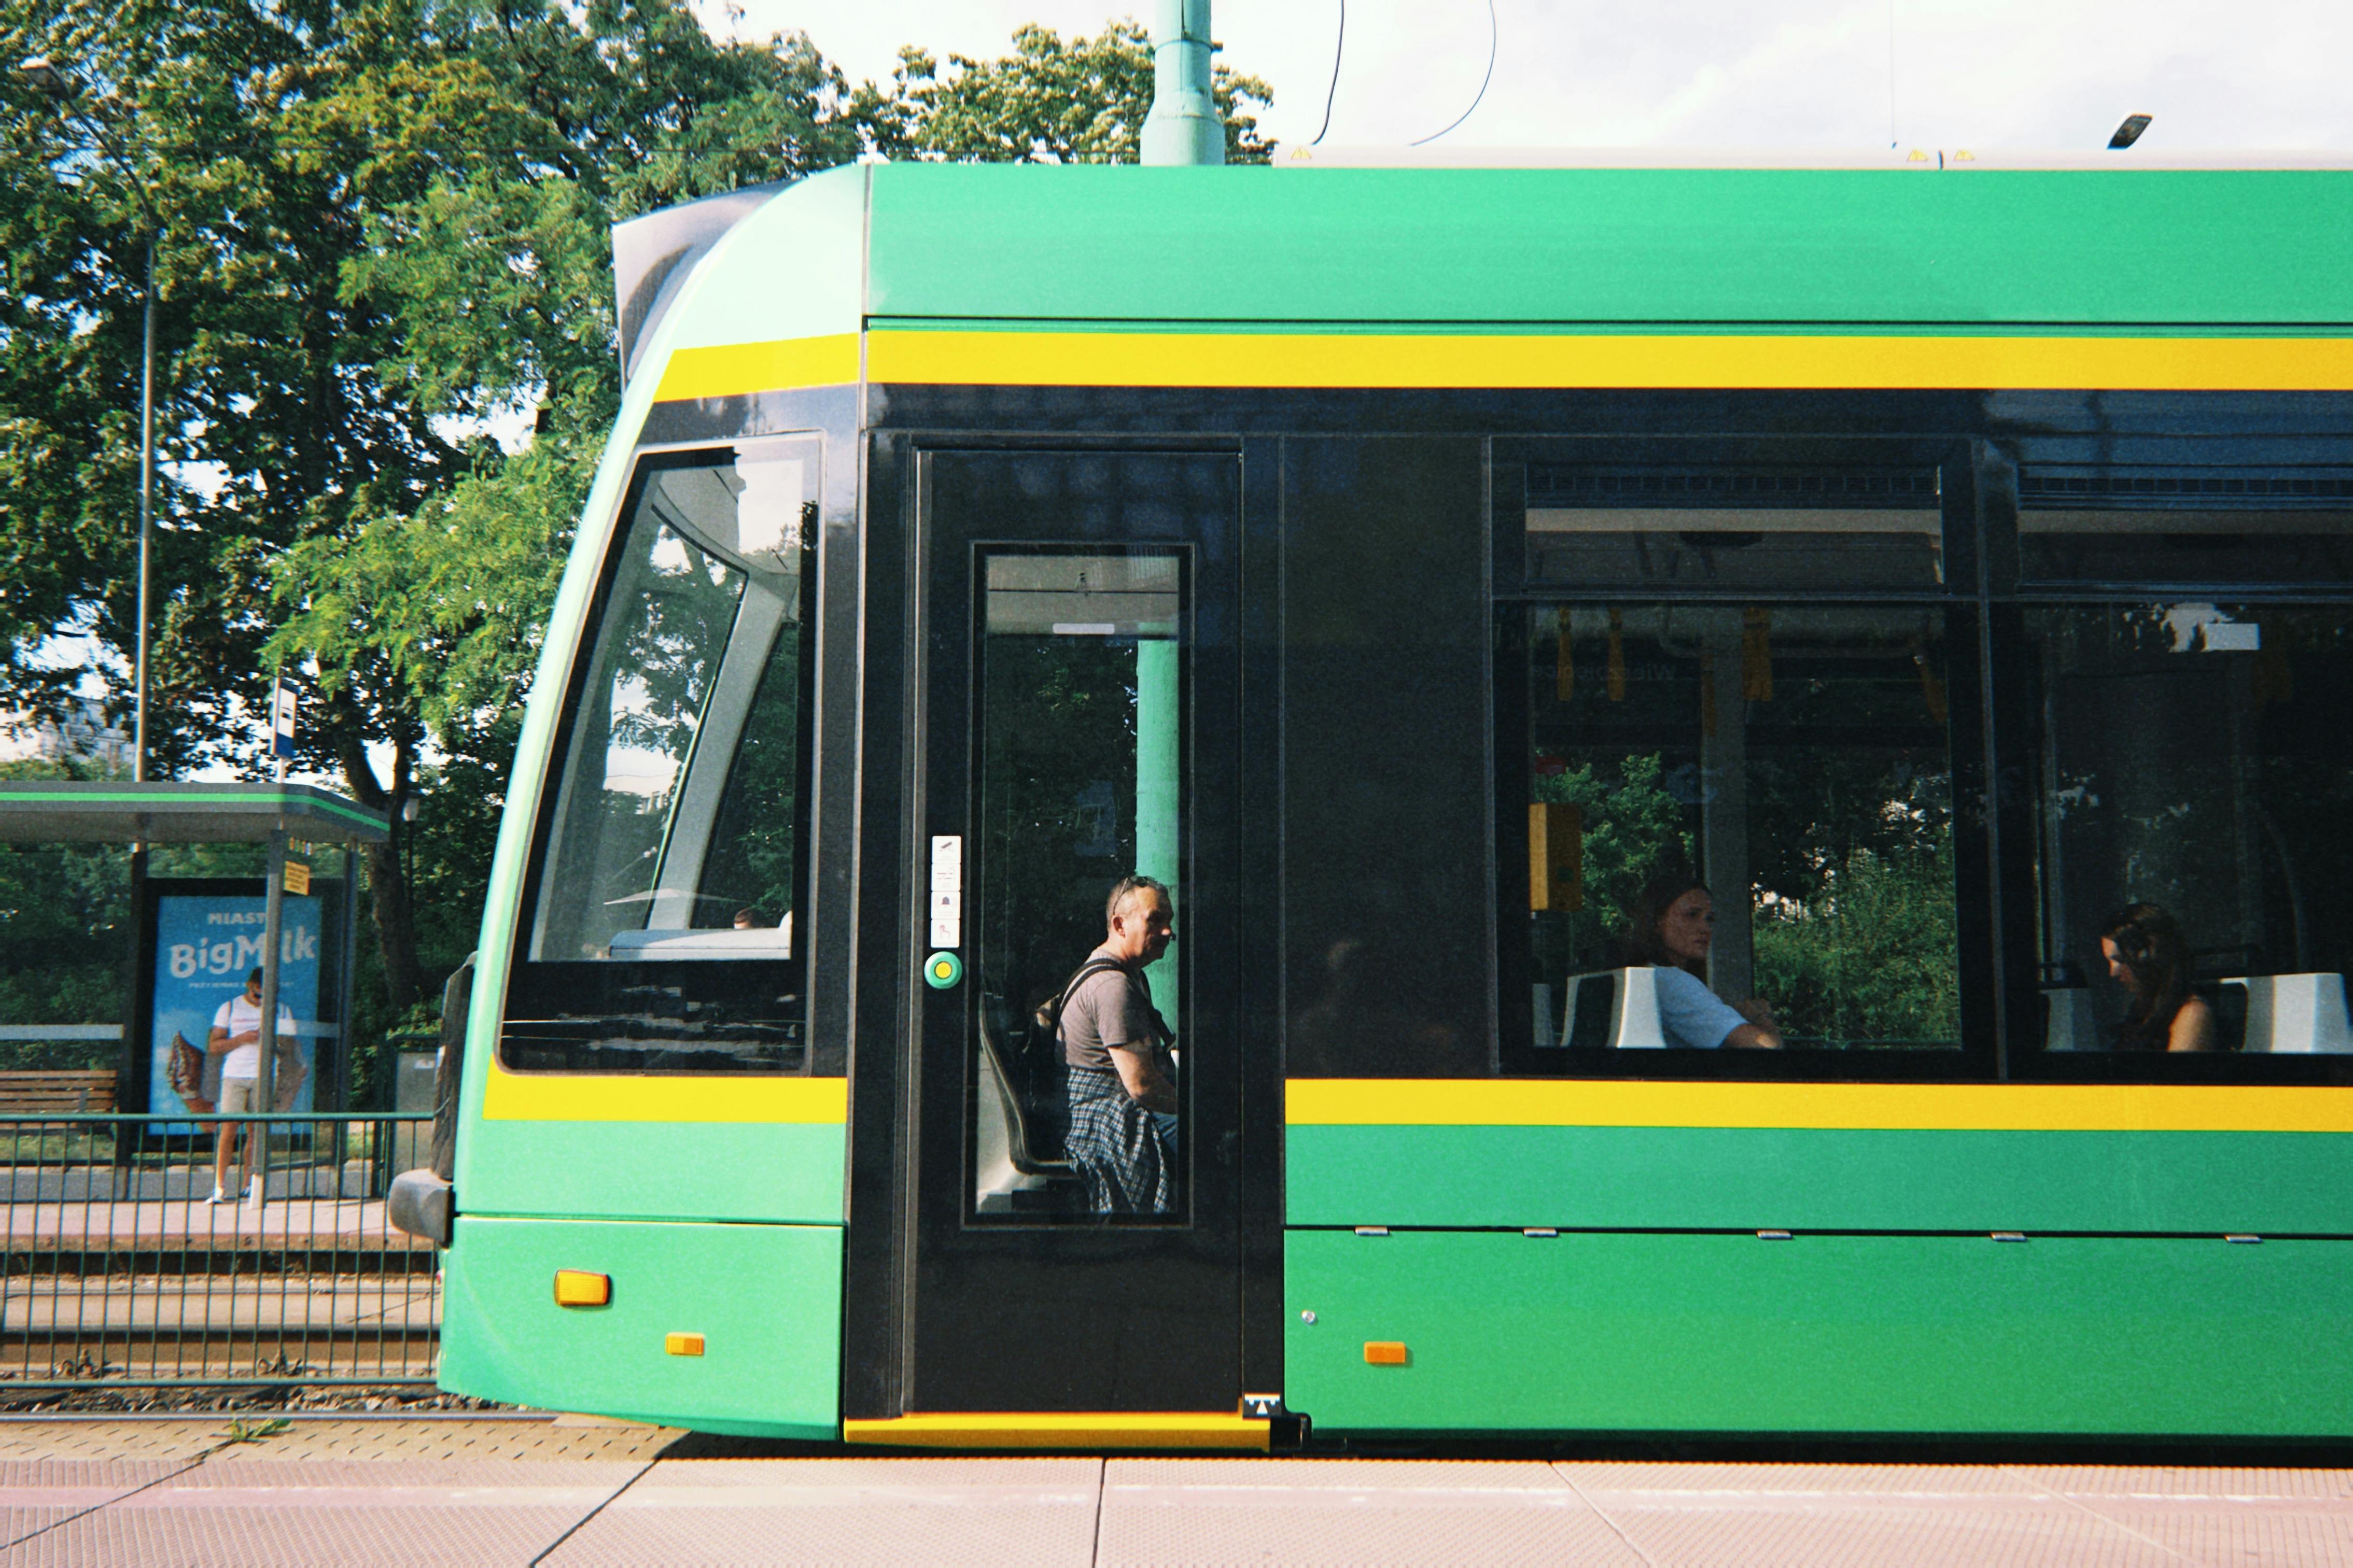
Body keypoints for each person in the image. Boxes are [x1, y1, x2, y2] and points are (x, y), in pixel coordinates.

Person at [1058, 874, 1180, 1216]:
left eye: (1169, 921)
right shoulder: (1113, 986)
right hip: (1101, 1119)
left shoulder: (1126, 975)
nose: (1168, 932)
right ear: (1119, 924)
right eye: (1155, 920)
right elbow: (1142, 1087)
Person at [1617, 873, 1783, 1049]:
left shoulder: (1647, 977)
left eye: (1709, 919)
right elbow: (1768, 1048)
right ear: (1657, 922)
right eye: (1692, 915)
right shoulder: (1672, 981)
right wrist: (1761, 1017)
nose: (1705, 929)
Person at [205, 967, 296, 1206]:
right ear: (250, 986)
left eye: (266, 991)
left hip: (265, 1075)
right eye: (257, 990)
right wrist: (242, 1039)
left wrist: (273, 1038)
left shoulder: (281, 1010)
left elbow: (289, 1047)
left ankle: (249, 1185)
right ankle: (219, 1186)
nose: (261, 996)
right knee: (228, 1130)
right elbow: (214, 1046)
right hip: (234, 1074)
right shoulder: (230, 1008)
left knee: (256, 1132)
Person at [2099, 903, 2218, 1052]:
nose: (2114, 972)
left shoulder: (2191, 1014)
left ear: (2150, 957)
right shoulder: (2143, 1010)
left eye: (2122, 960)